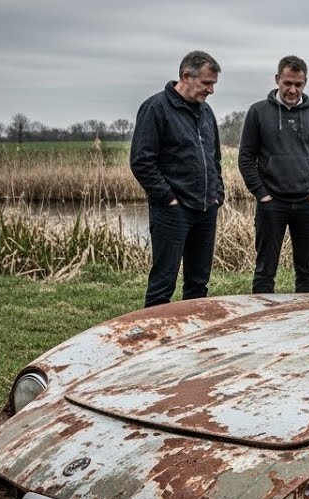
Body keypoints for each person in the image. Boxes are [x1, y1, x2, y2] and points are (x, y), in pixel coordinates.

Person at [129, 50, 225, 307]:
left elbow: (214, 158)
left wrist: (217, 194)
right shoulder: (156, 108)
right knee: (163, 283)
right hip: (173, 212)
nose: (211, 90)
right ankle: (155, 337)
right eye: (207, 83)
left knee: (198, 282)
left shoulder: (206, 112)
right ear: (186, 76)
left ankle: (191, 337)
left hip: (205, 209)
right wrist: (168, 198)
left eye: (213, 84)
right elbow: (141, 161)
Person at [238, 55, 309, 293]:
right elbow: (246, 157)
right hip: (272, 204)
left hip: (307, 204)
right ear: (277, 80)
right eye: (287, 83)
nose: (292, 89)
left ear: (305, 83)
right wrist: (261, 194)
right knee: (264, 270)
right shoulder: (258, 112)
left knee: (306, 270)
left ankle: (305, 321)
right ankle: (262, 320)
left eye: (298, 84)